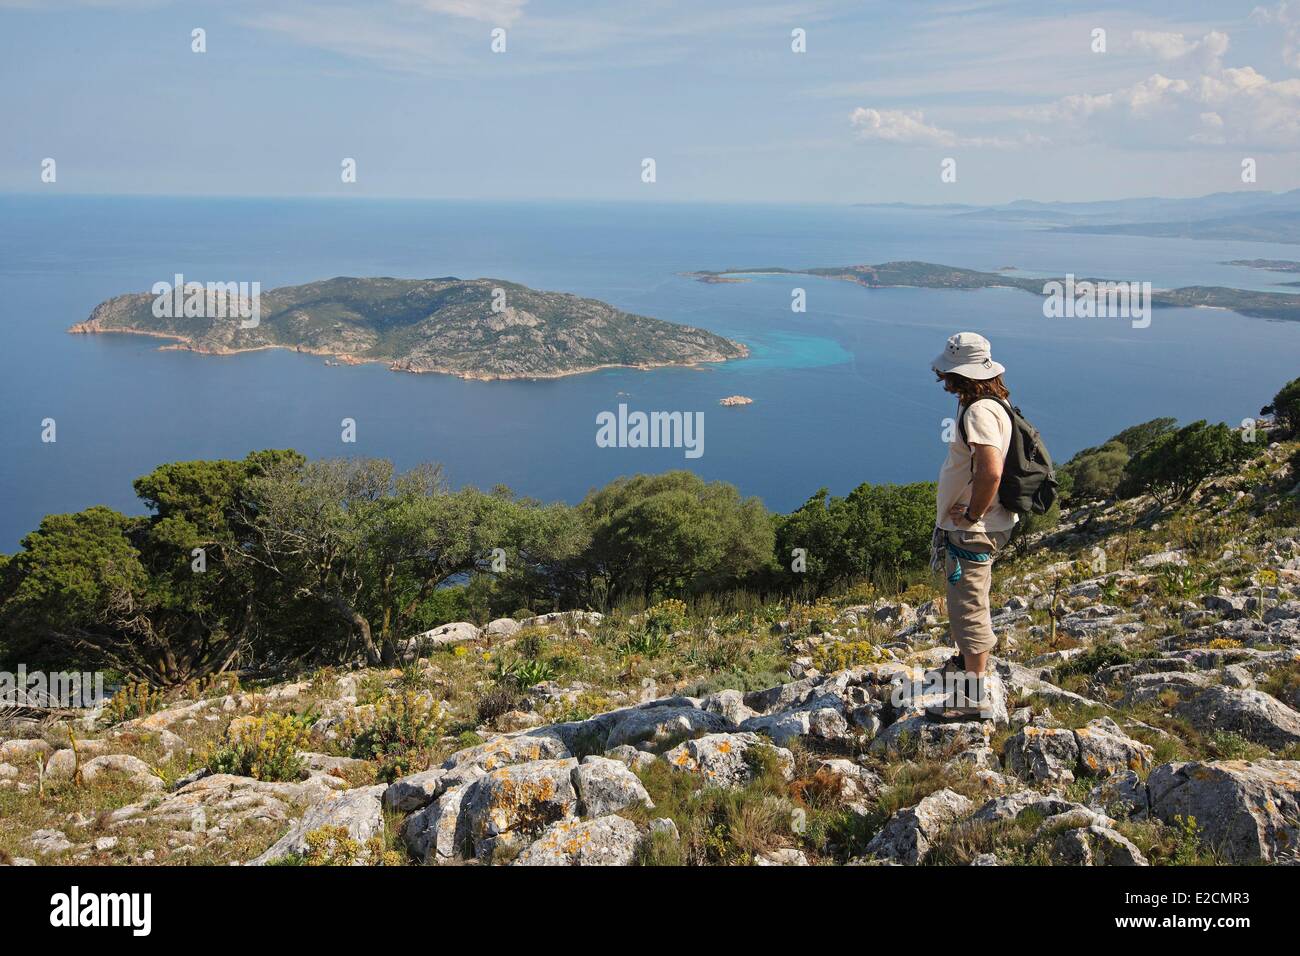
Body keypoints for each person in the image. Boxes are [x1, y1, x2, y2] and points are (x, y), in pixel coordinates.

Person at [928, 332, 1016, 718]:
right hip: (981, 526)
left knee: (967, 608)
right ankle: (970, 667)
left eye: (948, 373)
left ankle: (970, 699)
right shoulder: (995, 403)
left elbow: (991, 471)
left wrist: (972, 515)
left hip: (974, 531)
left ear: (961, 375)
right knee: (970, 602)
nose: (943, 379)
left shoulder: (980, 411)